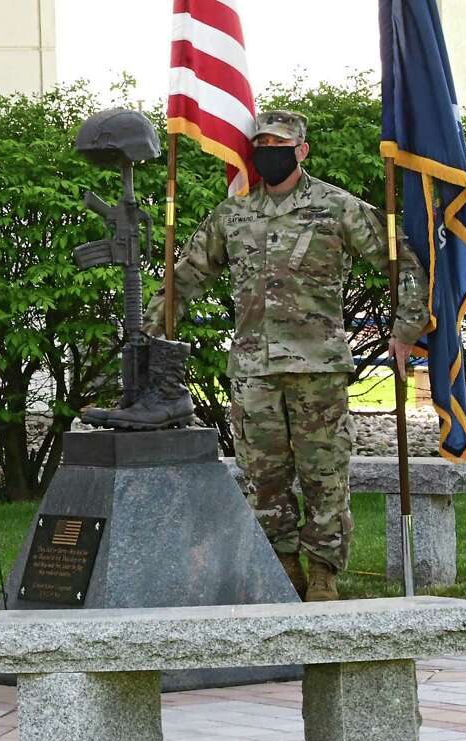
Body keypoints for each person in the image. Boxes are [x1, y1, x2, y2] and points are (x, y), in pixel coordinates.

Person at [144, 110, 430, 602]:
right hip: (254, 370)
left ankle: (322, 572)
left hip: (317, 367)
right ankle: (282, 566)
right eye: (262, 146)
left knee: (325, 473)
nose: (268, 154)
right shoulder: (232, 215)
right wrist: (149, 331)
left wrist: (406, 329)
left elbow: (402, 258)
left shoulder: (336, 207)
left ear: (301, 151)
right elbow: (187, 274)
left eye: (279, 146)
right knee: (263, 477)